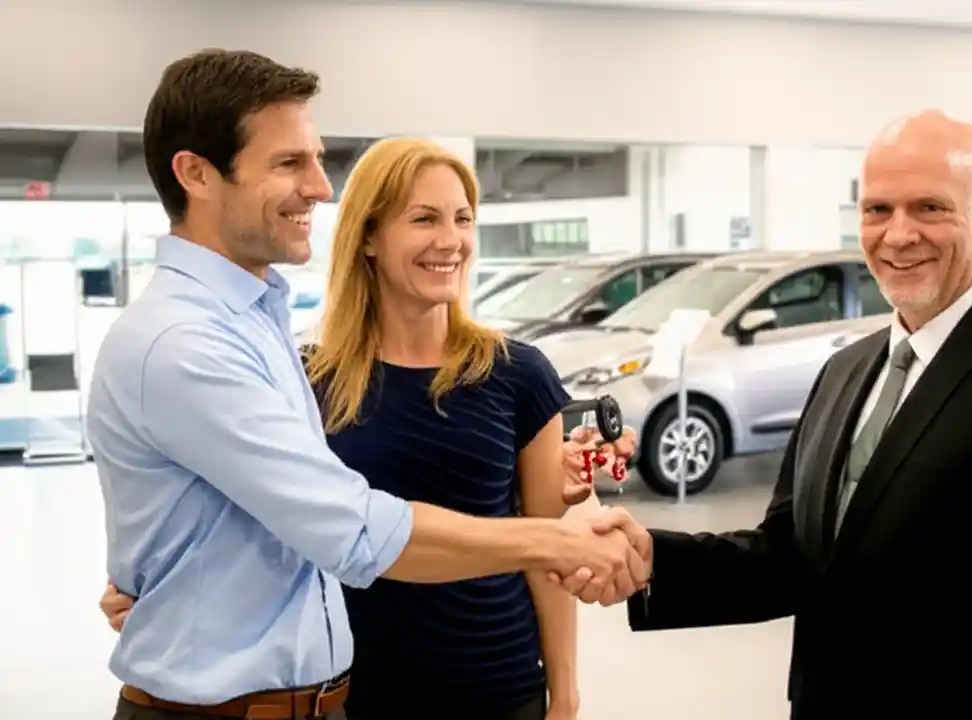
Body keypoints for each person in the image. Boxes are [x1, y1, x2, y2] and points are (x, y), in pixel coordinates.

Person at [89, 48, 646, 720]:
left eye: (463, 218)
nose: (321, 187)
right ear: (196, 173)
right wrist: (551, 539)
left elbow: (240, 513)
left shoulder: (255, 322)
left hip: (401, 692)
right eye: (289, 162)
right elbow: (349, 529)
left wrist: (163, 580)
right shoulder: (193, 345)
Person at [569, 110, 972, 718]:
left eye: (929, 208)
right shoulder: (848, 370)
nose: (898, 235)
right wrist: (654, 558)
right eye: (877, 210)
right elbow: (792, 555)